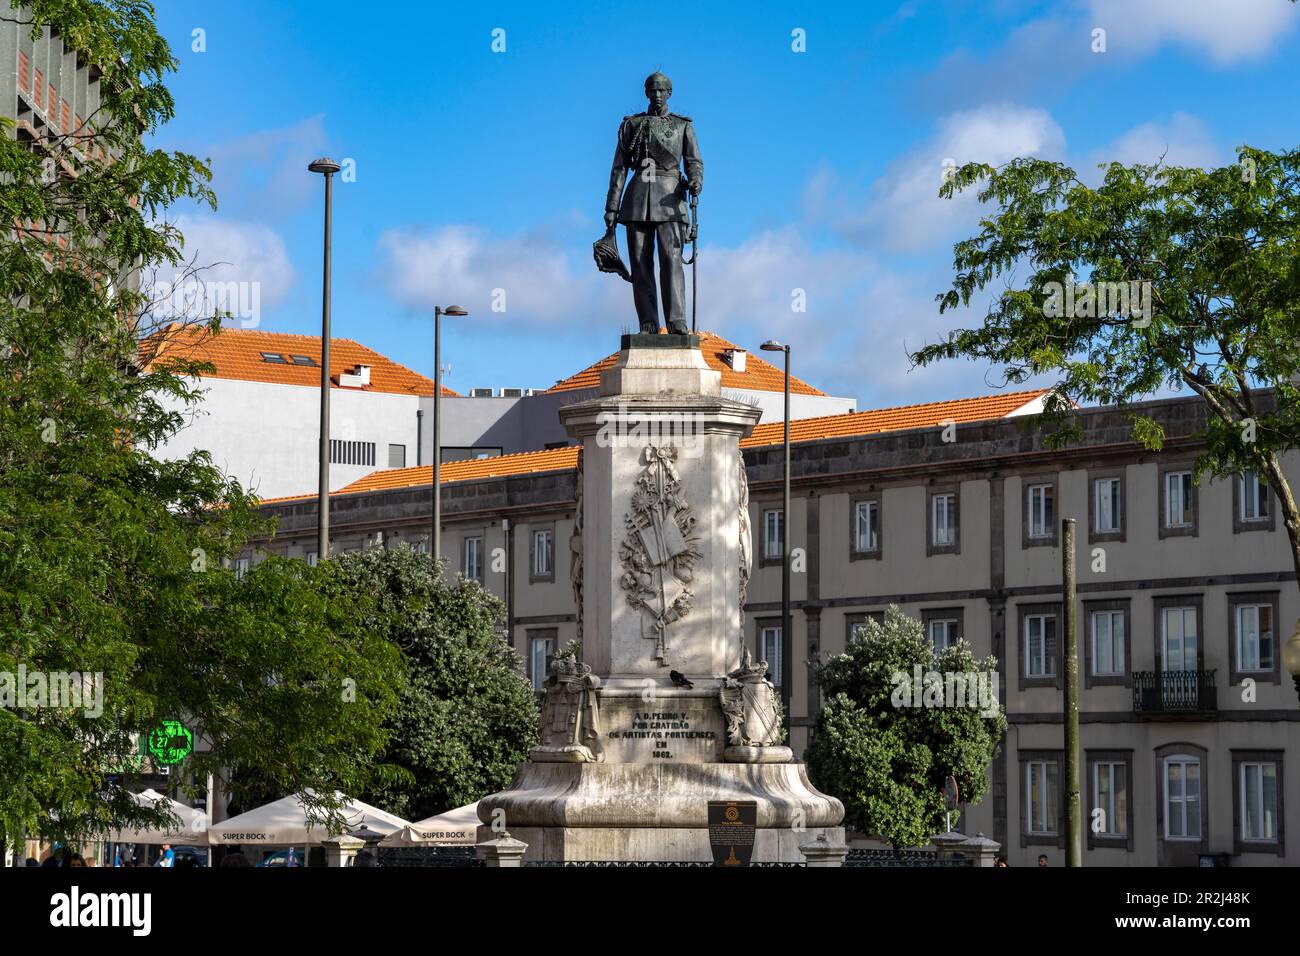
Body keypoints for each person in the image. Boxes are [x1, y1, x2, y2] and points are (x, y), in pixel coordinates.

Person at [603, 72, 703, 335]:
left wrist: (695, 181)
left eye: (661, 91)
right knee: (640, 263)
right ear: (646, 93)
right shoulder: (632, 126)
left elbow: (694, 162)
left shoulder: (684, 127)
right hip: (636, 201)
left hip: (670, 200)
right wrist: (612, 208)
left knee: (671, 260)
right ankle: (647, 322)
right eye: (652, 90)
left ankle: (676, 321)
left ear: (669, 93)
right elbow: (619, 169)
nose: (657, 95)